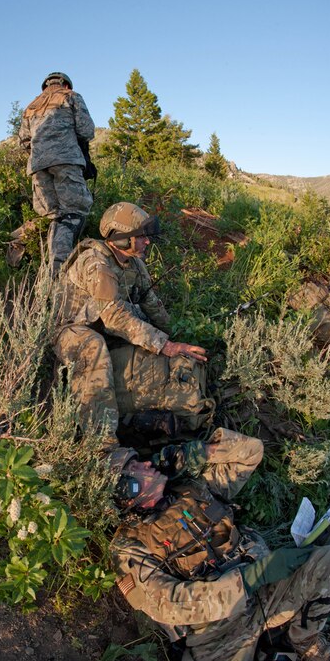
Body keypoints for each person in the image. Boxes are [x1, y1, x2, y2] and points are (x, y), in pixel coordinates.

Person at [110, 427, 330, 661]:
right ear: (128, 489)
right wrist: (248, 579)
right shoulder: (130, 547)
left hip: (270, 590)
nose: (148, 465)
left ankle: (304, 639)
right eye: (138, 467)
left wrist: (198, 452)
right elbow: (169, 604)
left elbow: (251, 452)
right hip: (222, 627)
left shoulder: (193, 489)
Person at [52, 201, 209, 503]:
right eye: (141, 235)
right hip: (69, 330)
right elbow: (114, 317)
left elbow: (150, 303)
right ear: (121, 237)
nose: (147, 241)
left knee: (146, 360)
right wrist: (165, 344)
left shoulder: (133, 263)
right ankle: (101, 449)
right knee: (93, 347)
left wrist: (177, 340)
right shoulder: (96, 264)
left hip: (103, 330)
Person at [13, 71, 95, 275]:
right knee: (73, 212)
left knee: (53, 215)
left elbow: (23, 141)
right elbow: (87, 131)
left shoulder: (31, 106)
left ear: (45, 86)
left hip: (38, 166)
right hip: (66, 160)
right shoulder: (71, 96)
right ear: (66, 84)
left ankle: (17, 240)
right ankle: (58, 271)